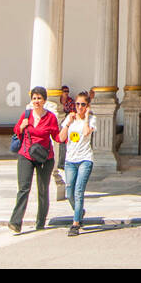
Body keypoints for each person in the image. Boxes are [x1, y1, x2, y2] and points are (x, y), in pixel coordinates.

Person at [9, 86, 62, 234]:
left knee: (43, 189)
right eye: (34, 98)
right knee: (23, 189)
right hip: (26, 154)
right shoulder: (27, 115)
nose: (36, 101)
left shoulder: (50, 117)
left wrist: (67, 133)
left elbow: (56, 137)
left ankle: (40, 221)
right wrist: (22, 126)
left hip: (44, 157)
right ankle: (15, 222)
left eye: (39, 98)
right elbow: (16, 130)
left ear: (44, 100)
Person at [59, 90, 96, 236]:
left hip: (85, 159)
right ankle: (79, 211)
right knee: (69, 192)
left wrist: (86, 118)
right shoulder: (70, 118)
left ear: (87, 106)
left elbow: (87, 132)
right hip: (70, 160)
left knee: (79, 190)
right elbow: (61, 138)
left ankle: (75, 223)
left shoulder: (91, 119)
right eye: (77, 104)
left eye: (83, 105)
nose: (79, 107)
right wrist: (68, 123)